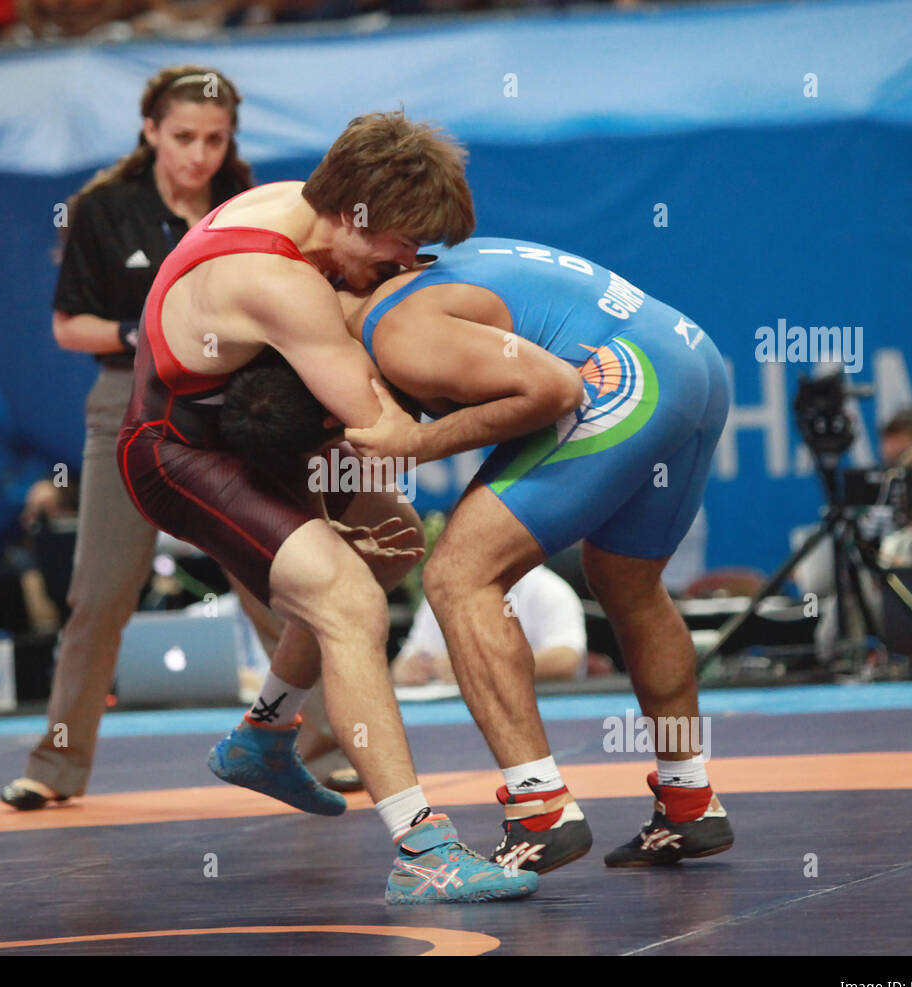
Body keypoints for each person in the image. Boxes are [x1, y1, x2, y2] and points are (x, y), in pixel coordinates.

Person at [118, 112, 538, 903]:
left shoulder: (300, 210)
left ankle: (264, 735)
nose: (406, 265)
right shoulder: (281, 283)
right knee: (347, 600)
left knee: (393, 543)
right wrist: (509, 389)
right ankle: (422, 849)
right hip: (179, 453)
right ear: (353, 214)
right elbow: (386, 430)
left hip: (253, 421)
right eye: (400, 247)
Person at [233, 235, 735, 873]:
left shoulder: (395, 334)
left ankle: (541, 809)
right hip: (692, 357)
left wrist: (416, 444)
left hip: (625, 376)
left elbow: (554, 394)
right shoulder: (410, 280)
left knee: (457, 577)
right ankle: (689, 798)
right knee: (628, 582)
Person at [1, 66, 253, 810]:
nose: (198, 154)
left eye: (214, 138)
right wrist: (139, 328)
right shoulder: (103, 209)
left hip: (229, 400)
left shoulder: (248, 205)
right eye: (183, 138)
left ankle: (326, 746)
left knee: (276, 577)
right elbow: (65, 325)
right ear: (149, 131)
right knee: (99, 594)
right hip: (129, 398)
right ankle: (53, 767)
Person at [393, 565, 587, 685]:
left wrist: (483, 669)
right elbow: (404, 661)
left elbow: (567, 660)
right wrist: (409, 668)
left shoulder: (548, 588)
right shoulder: (443, 592)